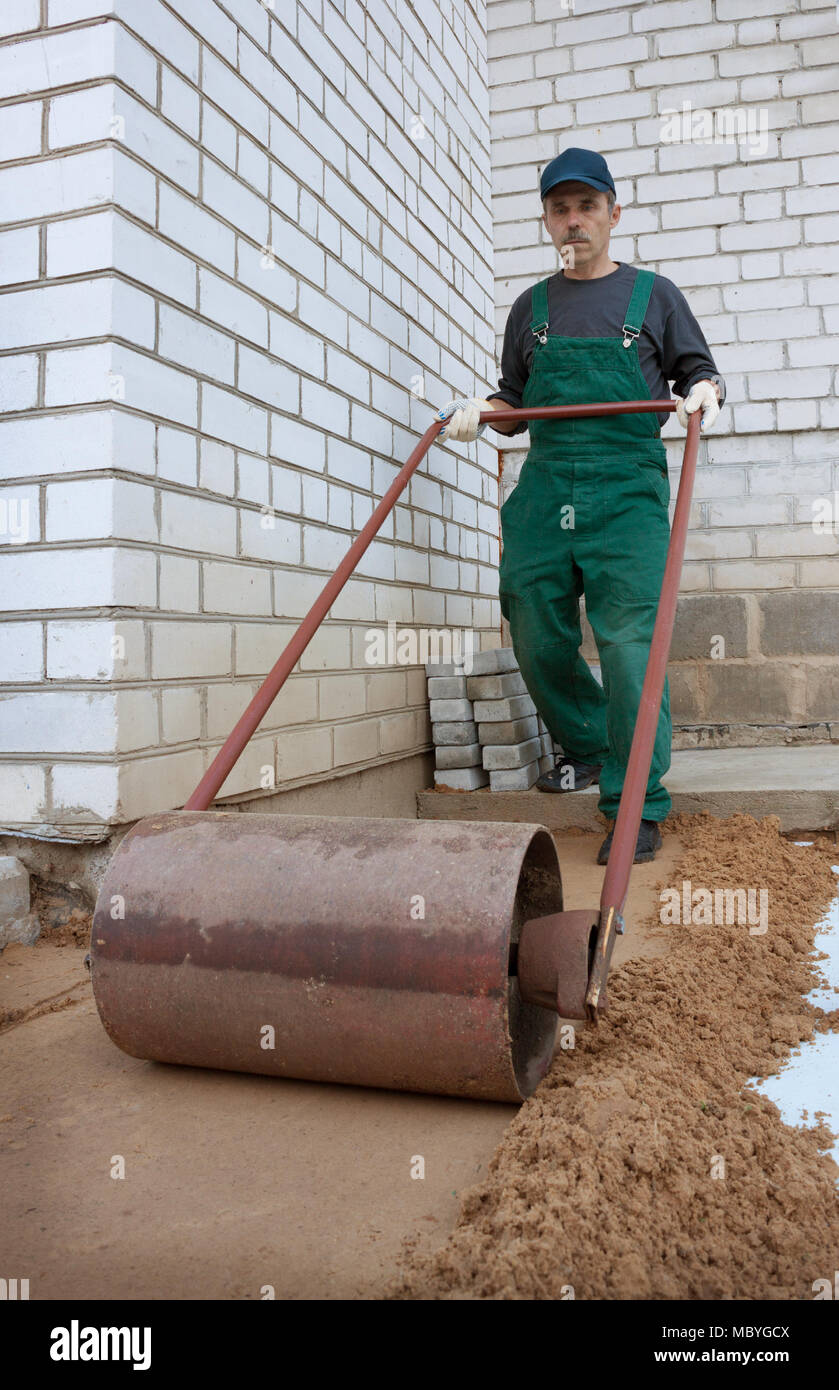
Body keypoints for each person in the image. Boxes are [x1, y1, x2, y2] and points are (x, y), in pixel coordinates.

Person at [436, 148, 725, 865]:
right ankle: (595, 745)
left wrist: (703, 392)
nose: (573, 220)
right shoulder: (528, 308)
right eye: (559, 209)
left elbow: (697, 369)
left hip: (625, 488)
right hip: (545, 482)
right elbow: (516, 405)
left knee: (630, 649)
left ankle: (635, 807)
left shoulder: (653, 297)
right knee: (532, 626)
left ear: (611, 214)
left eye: (586, 206)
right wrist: (485, 411)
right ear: (545, 221)